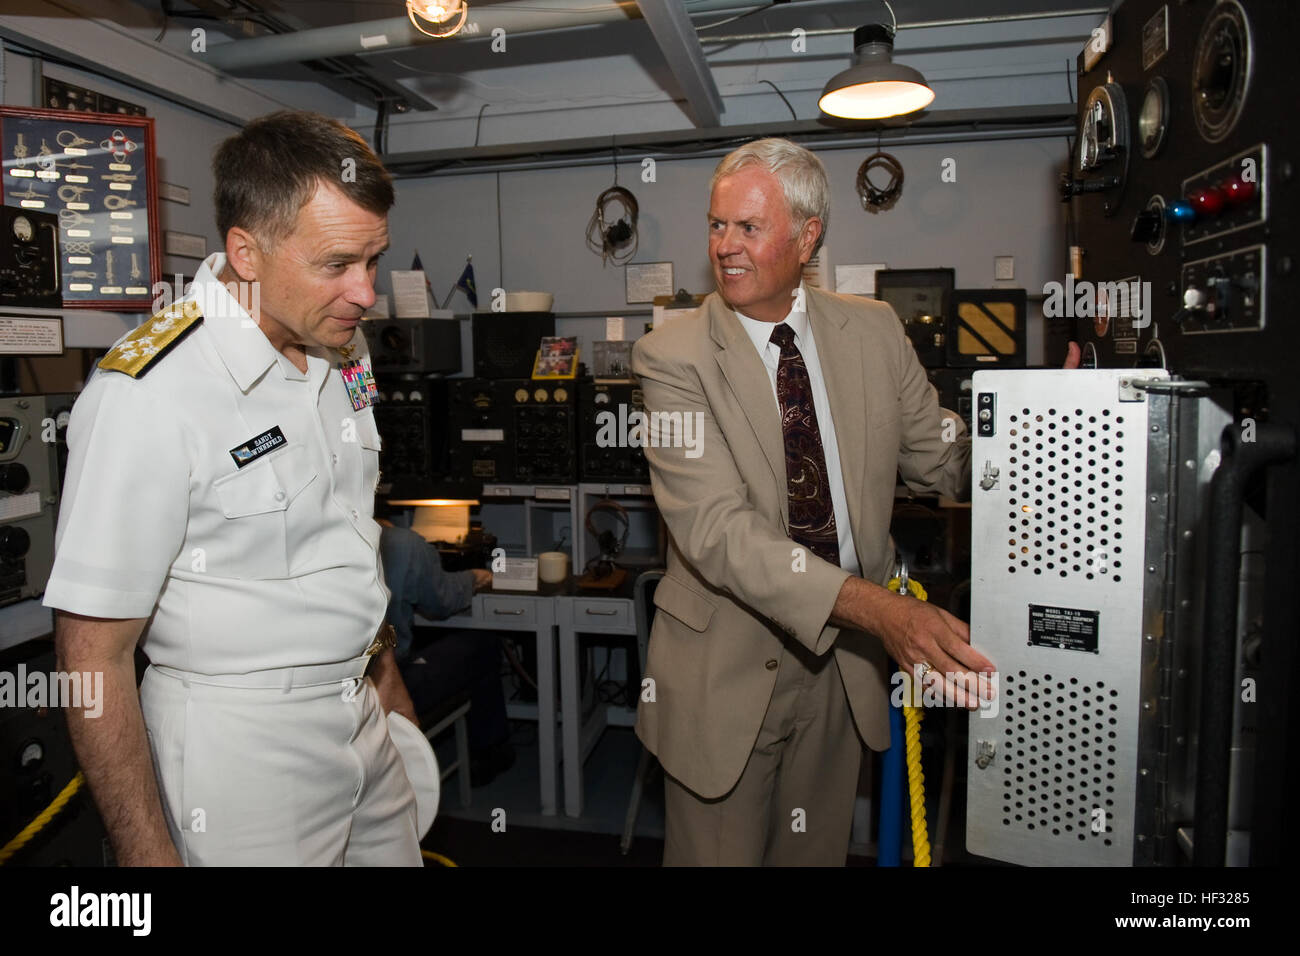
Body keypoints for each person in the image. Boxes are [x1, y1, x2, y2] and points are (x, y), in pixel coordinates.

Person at [44, 110, 422, 866]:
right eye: (338, 263)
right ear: (246, 253)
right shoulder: (151, 393)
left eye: (373, 260)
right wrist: (146, 856)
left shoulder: (339, 347)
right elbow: (93, 655)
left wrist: (388, 691)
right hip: (241, 751)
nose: (366, 292)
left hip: (363, 721)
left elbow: (343, 536)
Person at [631, 138, 994, 866]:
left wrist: (1041, 431)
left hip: (841, 670)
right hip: (726, 668)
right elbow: (717, 532)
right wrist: (882, 611)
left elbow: (942, 461)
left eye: (748, 228)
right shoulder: (671, 357)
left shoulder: (874, 330)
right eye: (716, 225)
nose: (725, 247)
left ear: (808, 237)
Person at [374, 518, 515, 784]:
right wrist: (472, 578)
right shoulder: (402, 543)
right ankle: (490, 752)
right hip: (394, 686)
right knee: (481, 642)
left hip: (340, 695)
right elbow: (441, 602)